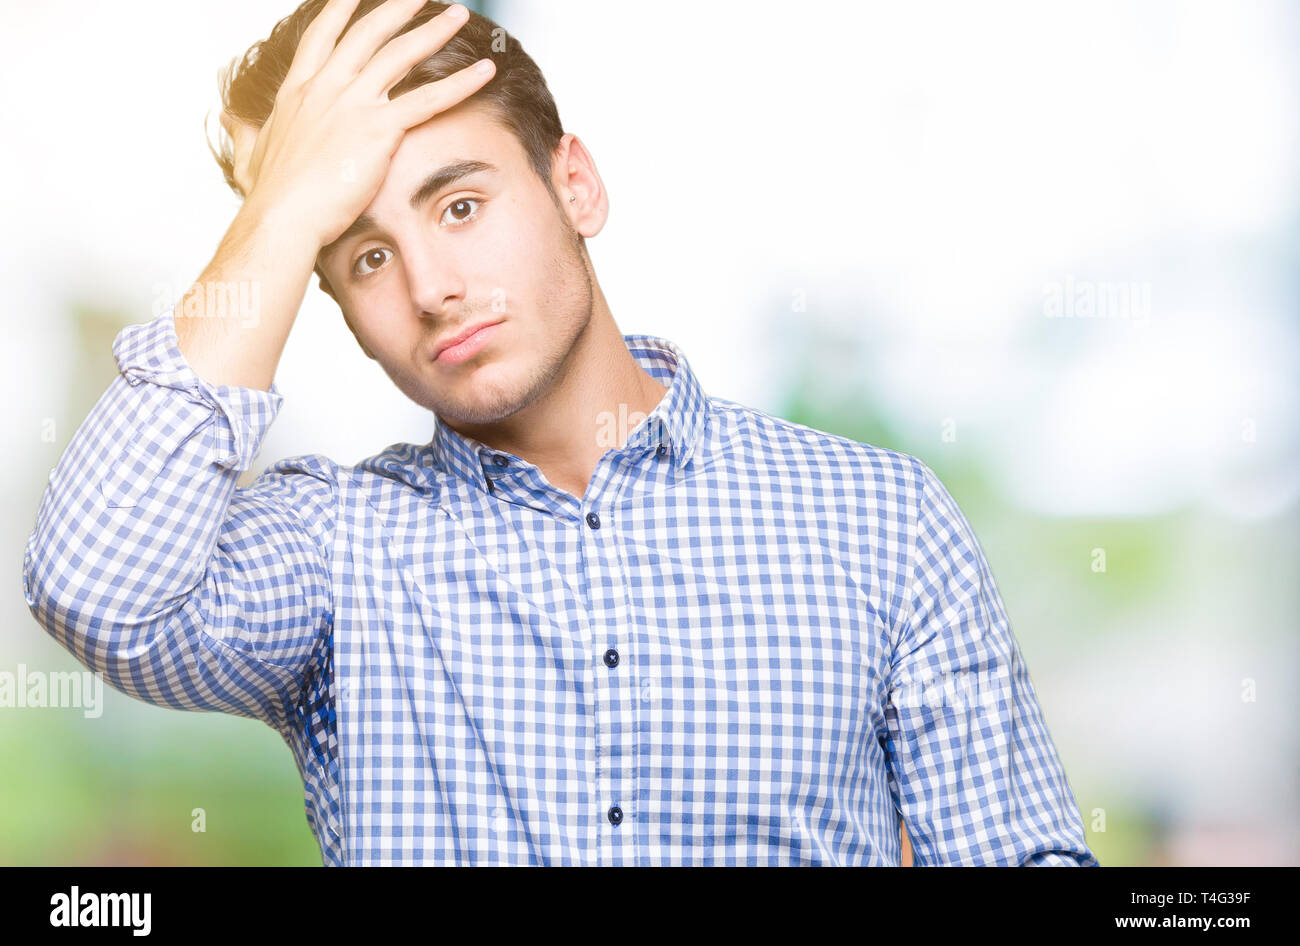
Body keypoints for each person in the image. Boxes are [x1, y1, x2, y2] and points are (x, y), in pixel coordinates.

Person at [22, 0, 1098, 866]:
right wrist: (281, 211)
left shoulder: (878, 518)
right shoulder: (332, 552)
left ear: (572, 183)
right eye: (361, 255)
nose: (434, 288)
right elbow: (98, 587)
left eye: (458, 206)